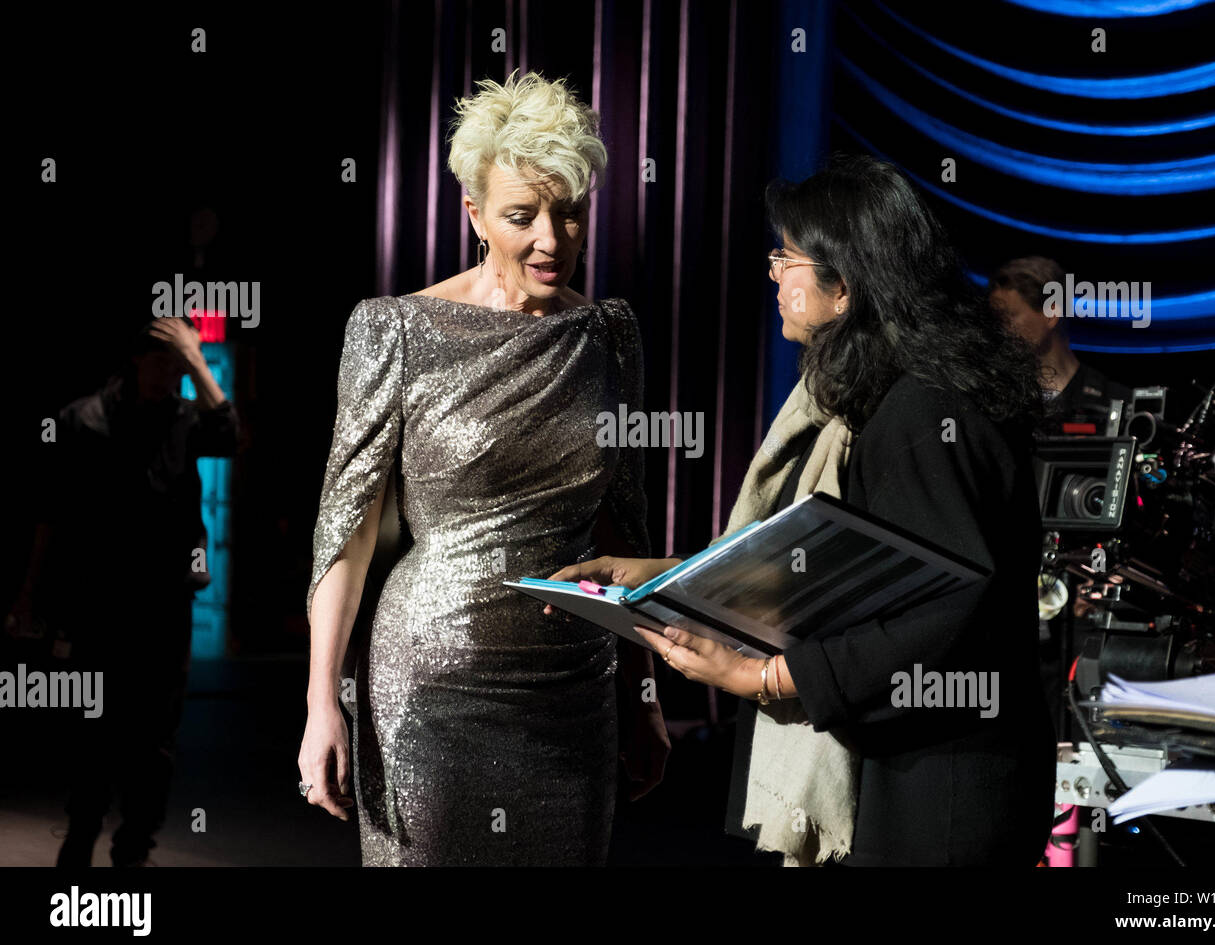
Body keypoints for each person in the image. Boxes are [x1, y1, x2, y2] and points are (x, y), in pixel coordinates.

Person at [553, 154, 1056, 866]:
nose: (773, 275)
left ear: (843, 286)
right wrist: (659, 576)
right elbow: (834, 563)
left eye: (786, 259)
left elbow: (948, 610)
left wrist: (763, 678)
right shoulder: (886, 397)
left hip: (943, 786)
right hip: (915, 767)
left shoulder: (925, 410)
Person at [299, 71, 668, 865]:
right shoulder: (393, 330)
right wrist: (320, 702)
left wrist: (642, 691)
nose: (551, 240)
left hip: (575, 690)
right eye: (522, 216)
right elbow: (346, 532)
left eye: (570, 214)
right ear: (474, 214)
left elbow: (625, 523)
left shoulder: (611, 335)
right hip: (432, 688)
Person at [8, 314, 238, 866]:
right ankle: (80, 837)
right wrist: (29, 594)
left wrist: (199, 359)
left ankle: (134, 847)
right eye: (160, 359)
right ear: (135, 360)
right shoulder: (84, 421)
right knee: (94, 731)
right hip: (100, 606)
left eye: (175, 363)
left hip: (165, 606)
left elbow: (230, 437)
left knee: (155, 738)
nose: (168, 372)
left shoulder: (185, 418)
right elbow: (50, 516)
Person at [989, 256, 1130, 434]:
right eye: (995, 320)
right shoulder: (998, 405)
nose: (998, 329)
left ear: (1051, 314)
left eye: (1008, 317)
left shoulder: (1116, 404)